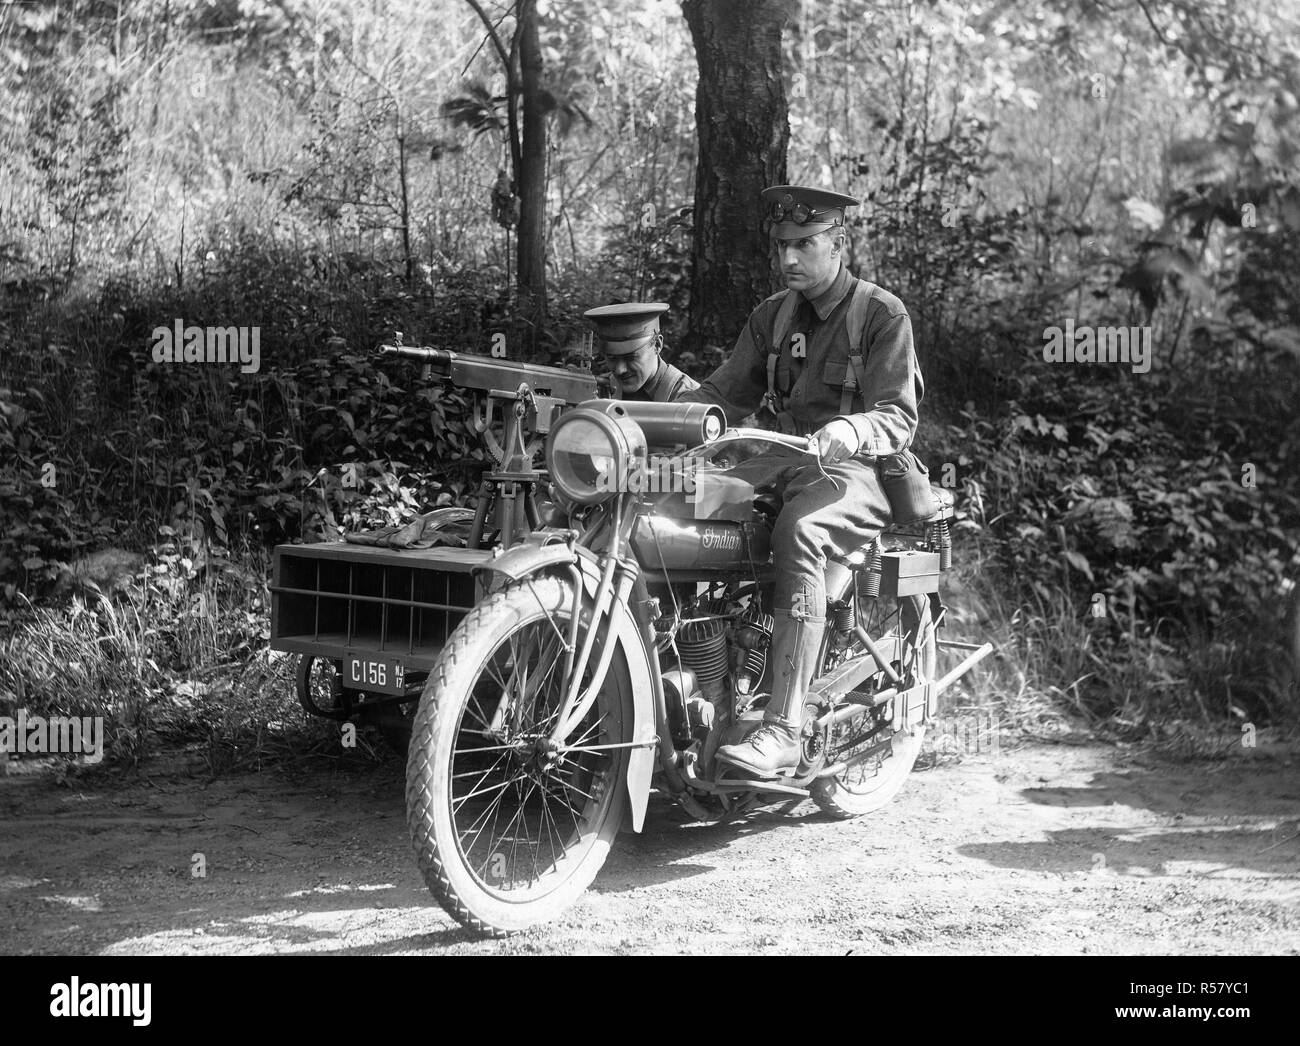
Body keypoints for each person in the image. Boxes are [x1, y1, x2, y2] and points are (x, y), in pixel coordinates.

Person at [678, 184, 924, 776]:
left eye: (805, 244)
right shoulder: (770, 317)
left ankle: (784, 728)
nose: (790, 258)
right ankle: (702, 678)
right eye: (782, 245)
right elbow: (719, 396)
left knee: (801, 531)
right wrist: (656, 413)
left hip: (856, 470)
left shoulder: (881, 314)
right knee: (680, 501)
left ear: (838, 243)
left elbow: (899, 415)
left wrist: (853, 429)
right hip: (783, 459)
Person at [584, 302, 699, 402]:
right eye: (612, 358)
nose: (620, 370)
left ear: (657, 345)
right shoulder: (598, 390)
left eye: (630, 357)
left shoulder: (688, 398)